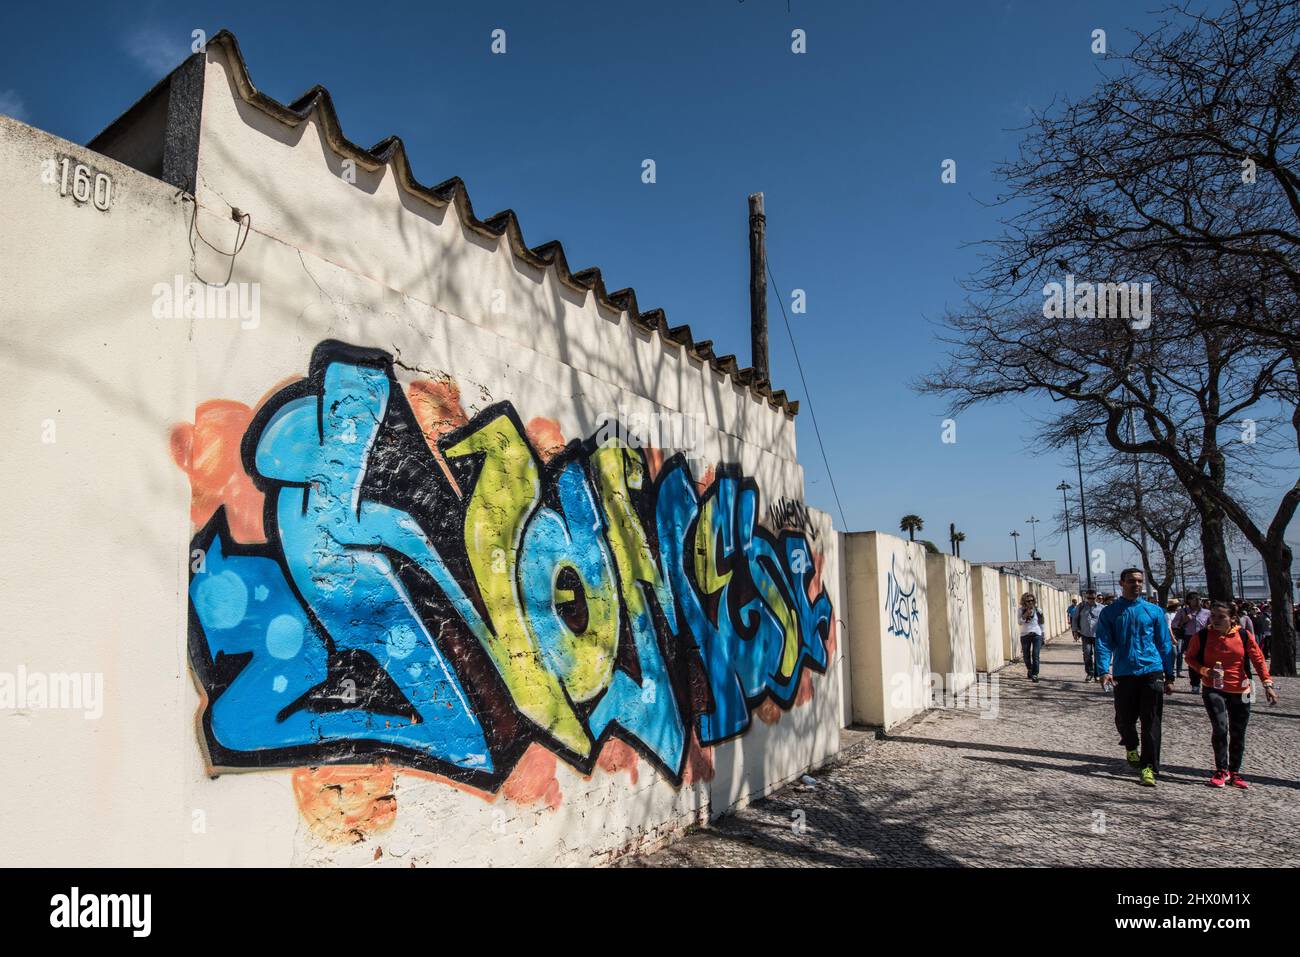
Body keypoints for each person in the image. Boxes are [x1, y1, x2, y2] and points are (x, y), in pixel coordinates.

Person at [1185, 601, 1279, 788]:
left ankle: (1235, 772)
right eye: (1213, 616)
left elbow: (1258, 659)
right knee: (1220, 728)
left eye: (1221, 617)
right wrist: (1204, 670)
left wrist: (1267, 684)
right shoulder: (1202, 636)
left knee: (1238, 732)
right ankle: (1221, 770)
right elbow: (1189, 657)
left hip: (1243, 688)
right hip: (1213, 688)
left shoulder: (1243, 635)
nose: (1216, 620)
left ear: (1232, 618)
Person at [1096, 568, 1176, 787]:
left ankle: (1148, 767)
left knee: (1151, 721)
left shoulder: (1154, 611)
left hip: (1152, 671)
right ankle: (1131, 745)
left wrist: (1169, 675)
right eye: (1132, 581)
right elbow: (1103, 642)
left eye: (1140, 581)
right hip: (1124, 672)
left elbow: (1164, 644)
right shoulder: (1111, 612)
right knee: (1124, 718)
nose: (1137, 584)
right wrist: (1104, 670)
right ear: (1122, 583)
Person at [1170, 592, 1211, 690]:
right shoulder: (1183, 612)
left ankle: (1207, 681)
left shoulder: (1207, 612)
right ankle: (1195, 683)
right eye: (1195, 599)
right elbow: (1174, 625)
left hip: (1205, 637)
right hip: (1190, 638)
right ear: (1189, 601)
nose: (1198, 601)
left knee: (1206, 659)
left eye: (1199, 599)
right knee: (1193, 660)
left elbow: (1212, 624)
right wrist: (1184, 620)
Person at [1074, 588, 1102, 681]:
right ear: (1086, 597)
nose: (1091, 600)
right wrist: (1075, 631)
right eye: (1089, 598)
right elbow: (1075, 619)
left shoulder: (1102, 608)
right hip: (1085, 634)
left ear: (1096, 597)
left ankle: (1097, 674)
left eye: (1093, 598)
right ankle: (1089, 673)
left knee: (1098, 655)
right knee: (1087, 653)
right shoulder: (1081, 606)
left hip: (1098, 635)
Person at [1018, 592, 1045, 682]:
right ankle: (1030, 669)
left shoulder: (1038, 610)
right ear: (1024, 601)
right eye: (1028, 600)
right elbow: (1020, 622)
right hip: (1025, 635)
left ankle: (1035, 674)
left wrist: (1043, 635)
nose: (1030, 602)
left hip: (1037, 634)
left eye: (1032, 600)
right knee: (1026, 656)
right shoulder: (1021, 610)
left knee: (1035, 655)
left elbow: (1041, 623)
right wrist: (1025, 615)